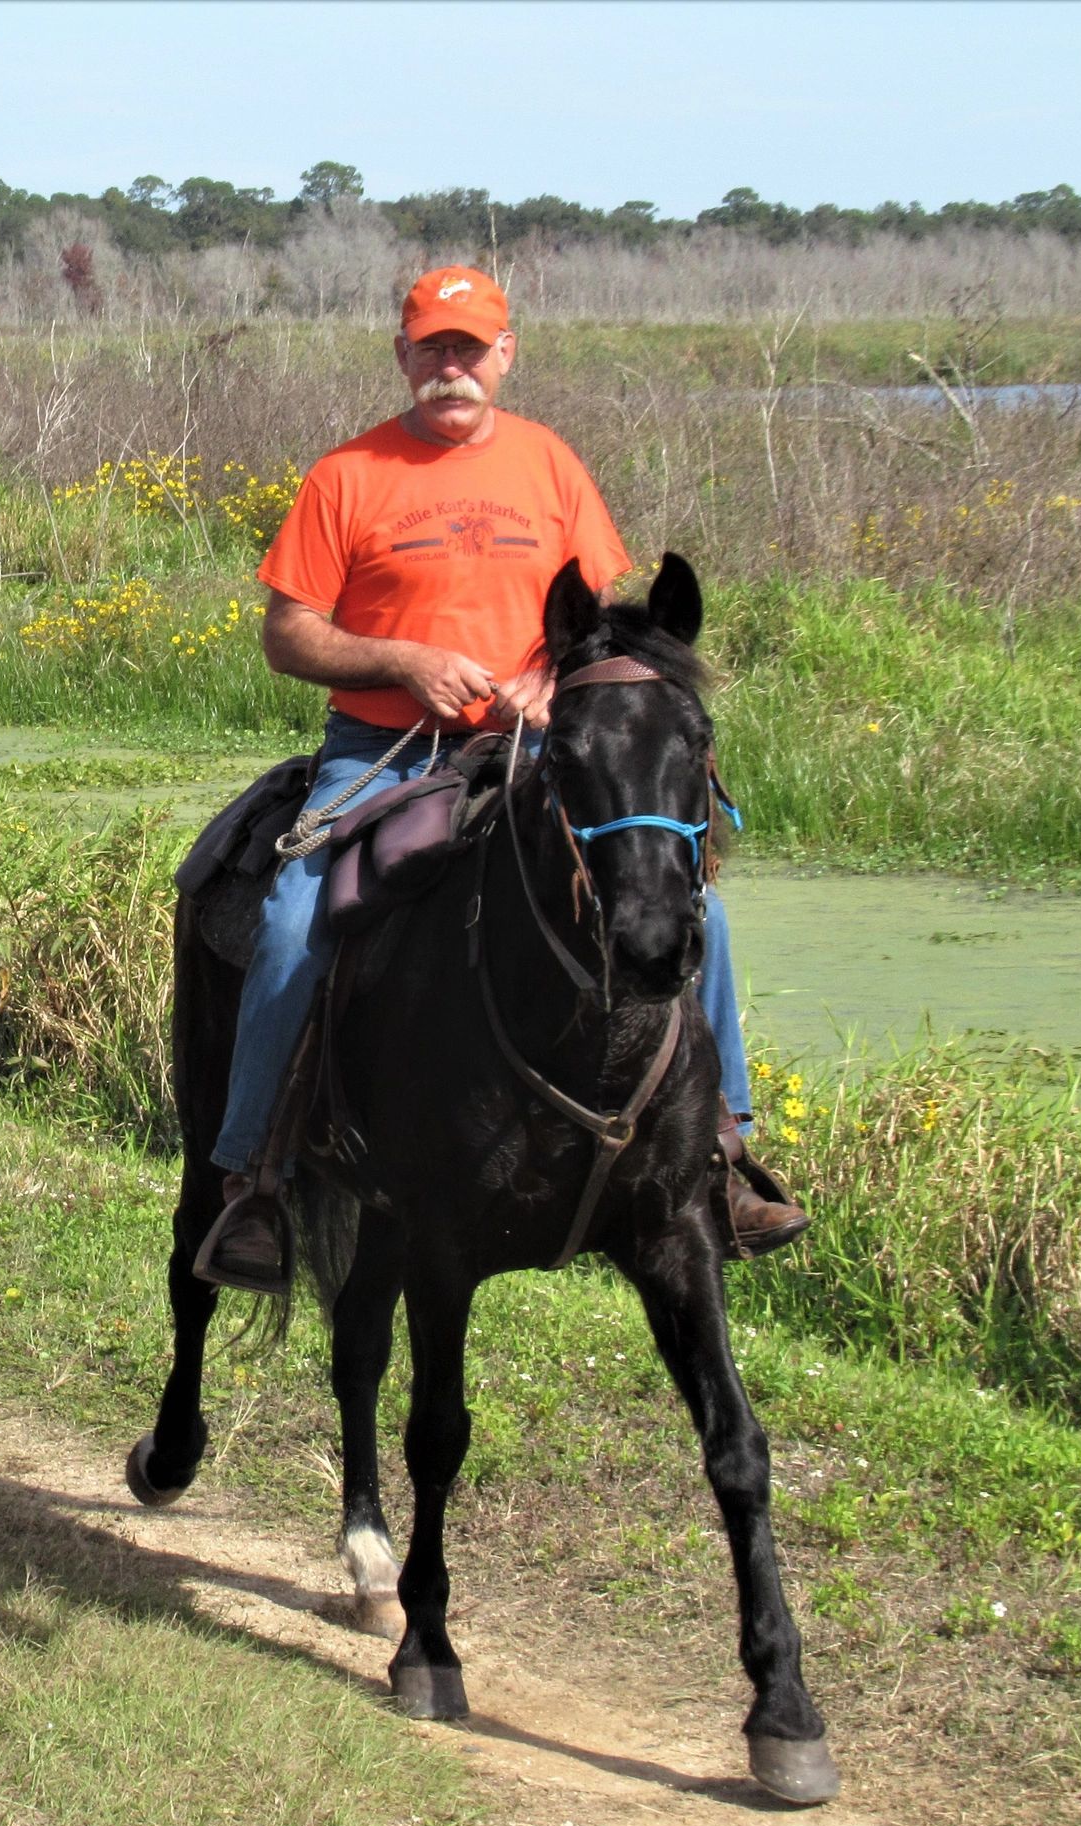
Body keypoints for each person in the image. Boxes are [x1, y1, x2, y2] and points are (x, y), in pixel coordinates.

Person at [202, 265, 805, 1289]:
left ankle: (722, 1154)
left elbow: (607, 635)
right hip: (384, 751)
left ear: (504, 354)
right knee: (296, 922)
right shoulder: (345, 476)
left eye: (469, 349)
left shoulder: (551, 466)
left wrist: (545, 678)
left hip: (538, 755)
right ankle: (254, 1179)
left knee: (698, 911)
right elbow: (287, 635)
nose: (451, 367)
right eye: (432, 348)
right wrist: (403, 661)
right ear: (403, 356)